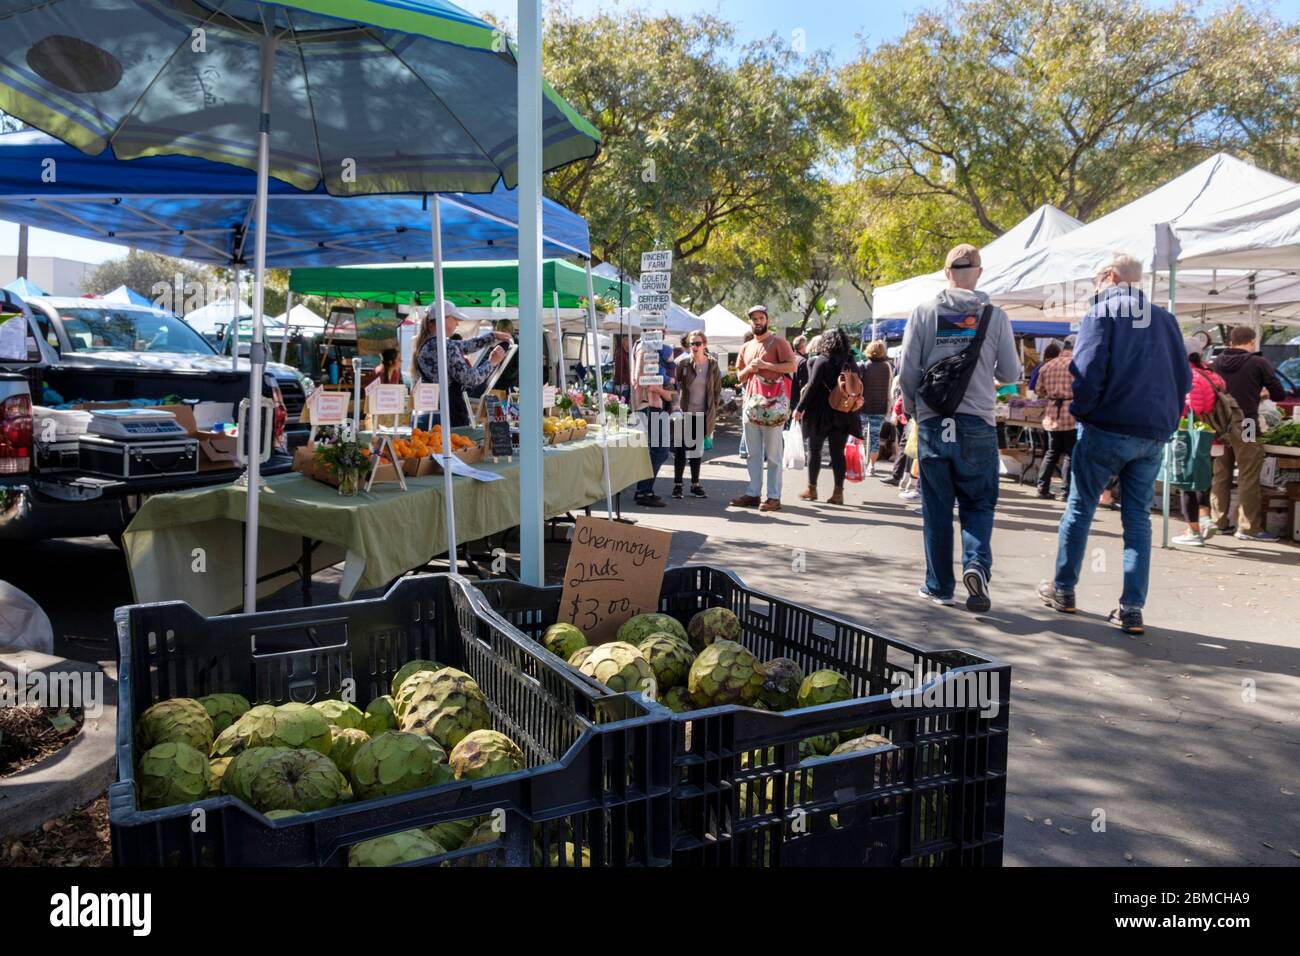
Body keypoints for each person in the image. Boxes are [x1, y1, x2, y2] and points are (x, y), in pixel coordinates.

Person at [1038, 253, 1190, 636]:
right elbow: (1184, 379)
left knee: (1080, 508)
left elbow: (1087, 371)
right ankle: (1132, 608)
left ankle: (1064, 588)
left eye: (1094, 281)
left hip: (1107, 426)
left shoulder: (1101, 314)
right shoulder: (1167, 320)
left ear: (1108, 276)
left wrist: (1085, 411)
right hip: (1152, 432)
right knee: (1137, 520)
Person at [900, 243, 1020, 612]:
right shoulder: (994, 316)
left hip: (935, 423)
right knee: (979, 503)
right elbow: (1011, 374)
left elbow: (907, 369)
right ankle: (976, 564)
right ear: (979, 272)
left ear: (946, 272)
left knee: (936, 508)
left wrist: (913, 411)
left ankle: (938, 586)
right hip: (978, 425)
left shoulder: (924, 312)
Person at [1211, 325, 1286, 541]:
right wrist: (1258, 395)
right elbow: (1278, 393)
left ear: (1231, 342)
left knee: (1221, 474)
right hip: (1248, 423)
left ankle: (1219, 521)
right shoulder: (1258, 362)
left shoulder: (1215, 363)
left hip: (1221, 425)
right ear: (1251, 342)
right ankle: (1248, 527)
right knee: (1248, 474)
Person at [730, 306, 797, 513]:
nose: (758, 322)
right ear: (750, 322)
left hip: (773, 406)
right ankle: (753, 493)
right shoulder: (746, 346)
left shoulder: (779, 343)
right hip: (750, 406)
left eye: (761, 318)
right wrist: (750, 368)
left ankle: (774, 497)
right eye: (754, 319)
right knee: (753, 453)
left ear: (767, 320)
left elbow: (792, 366)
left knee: (774, 454)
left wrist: (768, 365)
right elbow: (738, 376)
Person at [414, 301, 512, 429]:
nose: (457, 323)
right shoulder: (447, 347)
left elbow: (466, 345)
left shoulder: (426, 345)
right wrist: (492, 362)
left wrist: (492, 336)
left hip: (429, 413)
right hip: (450, 414)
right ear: (443, 320)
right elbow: (471, 379)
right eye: (455, 319)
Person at [792, 327, 862, 505]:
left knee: (814, 451)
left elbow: (812, 386)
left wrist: (799, 409)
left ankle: (811, 488)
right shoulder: (850, 360)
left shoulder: (822, 360)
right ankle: (838, 493)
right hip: (843, 412)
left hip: (819, 413)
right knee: (837, 453)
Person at [1175, 337, 1226, 547]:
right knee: (1203, 480)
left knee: (1187, 482)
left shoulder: (1190, 376)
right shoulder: (1212, 374)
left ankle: (1193, 530)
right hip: (1213, 435)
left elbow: (1192, 410)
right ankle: (1205, 518)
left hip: (1194, 435)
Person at [672, 331, 722, 499]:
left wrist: (712, 410)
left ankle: (695, 484)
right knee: (680, 450)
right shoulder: (683, 364)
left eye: (698, 343)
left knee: (695, 451)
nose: (694, 347)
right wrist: (675, 406)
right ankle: (678, 485)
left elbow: (716, 391)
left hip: (702, 413)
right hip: (684, 412)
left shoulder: (713, 364)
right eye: (691, 343)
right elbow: (674, 386)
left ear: (705, 345)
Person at [631, 336, 676, 508]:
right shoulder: (645, 346)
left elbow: (671, 385)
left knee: (656, 451)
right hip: (649, 405)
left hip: (656, 405)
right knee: (659, 451)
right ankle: (644, 491)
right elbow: (642, 380)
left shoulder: (659, 351)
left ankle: (645, 489)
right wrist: (659, 386)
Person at [1034, 337, 1076, 500]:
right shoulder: (1076, 365)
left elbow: (1039, 390)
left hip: (1052, 413)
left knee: (1052, 452)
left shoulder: (1047, 366)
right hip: (1071, 412)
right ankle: (1066, 491)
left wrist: (1053, 393)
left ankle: (1042, 488)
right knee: (1070, 454)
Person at [858, 339, 892, 477]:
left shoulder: (864, 366)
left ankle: (857, 463)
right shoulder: (887, 367)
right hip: (880, 407)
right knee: (874, 437)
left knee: (858, 436)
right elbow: (889, 388)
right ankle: (871, 466)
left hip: (863, 406)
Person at [738, 330, 754, 460]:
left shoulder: (744, 351)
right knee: (749, 422)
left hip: (747, 390)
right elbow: (741, 376)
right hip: (750, 390)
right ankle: (746, 450)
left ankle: (744, 450)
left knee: (747, 422)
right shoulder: (748, 352)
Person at [790, 335, 810, 414]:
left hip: (787, 396)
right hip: (797, 399)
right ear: (803, 346)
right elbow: (803, 383)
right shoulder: (803, 362)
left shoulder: (789, 358)